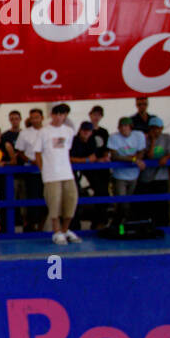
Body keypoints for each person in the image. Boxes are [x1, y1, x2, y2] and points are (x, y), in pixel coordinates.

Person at [36, 104, 81, 245]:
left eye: (63, 114)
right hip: (51, 175)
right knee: (54, 204)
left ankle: (65, 230)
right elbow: (37, 153)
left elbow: (67, 149)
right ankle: (56, 232)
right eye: (57, 114)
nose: (60, 117)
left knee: (71, 201)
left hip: (67, 173)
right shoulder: (44, 132)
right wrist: (44, 170)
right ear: (52, 115)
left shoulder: (69, 131)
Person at [70, 121, 110, 229]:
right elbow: (70, 159)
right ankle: (74, 225)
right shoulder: (73, 141)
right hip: (73, 171)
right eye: (84, 130)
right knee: (73, 194)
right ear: (80, 131)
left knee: (101, 191)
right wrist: (87, 160)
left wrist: (96, 159)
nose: (86, 132)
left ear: (91, 132)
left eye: (88, 131)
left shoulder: (93, 141)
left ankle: (99, 222)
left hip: (90, 170)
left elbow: (95, 157)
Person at [108, 116, 146, 222]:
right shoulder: (114, 137)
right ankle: (119, 225)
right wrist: (134, 159)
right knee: (122, 203)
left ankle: (127, 224)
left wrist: (135, 159)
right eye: (122, 126)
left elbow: (142, 151)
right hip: (119, 175)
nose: (124, 129)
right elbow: (114, 156)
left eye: (126, 126)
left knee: (130, 202)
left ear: (131, 127)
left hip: (134, 174)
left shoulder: (139, 135)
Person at [15, 108, 47, 231]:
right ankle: (30, 225)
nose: (35, 120)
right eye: (32, 117)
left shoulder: (48, 132)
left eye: (37, 117)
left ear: (42, 118)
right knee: (32, 199)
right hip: (31, 171)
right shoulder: (24, 133)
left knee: (46, 200)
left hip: (47, 172)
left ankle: (42, 226)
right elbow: (20, 152)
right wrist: (30, 161)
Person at [137, 117, 170, 225]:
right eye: (153, 128)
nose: (155, 131)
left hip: (161, 176)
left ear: (161, 128)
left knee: (162, 202)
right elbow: (150, 155)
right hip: (146, 177)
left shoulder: (167, 138)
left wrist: (166, 157)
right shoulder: (145, 139)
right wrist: (152, 141)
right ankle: (148, 224)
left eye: (157, 128)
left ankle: (163, 224)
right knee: (147, 203)